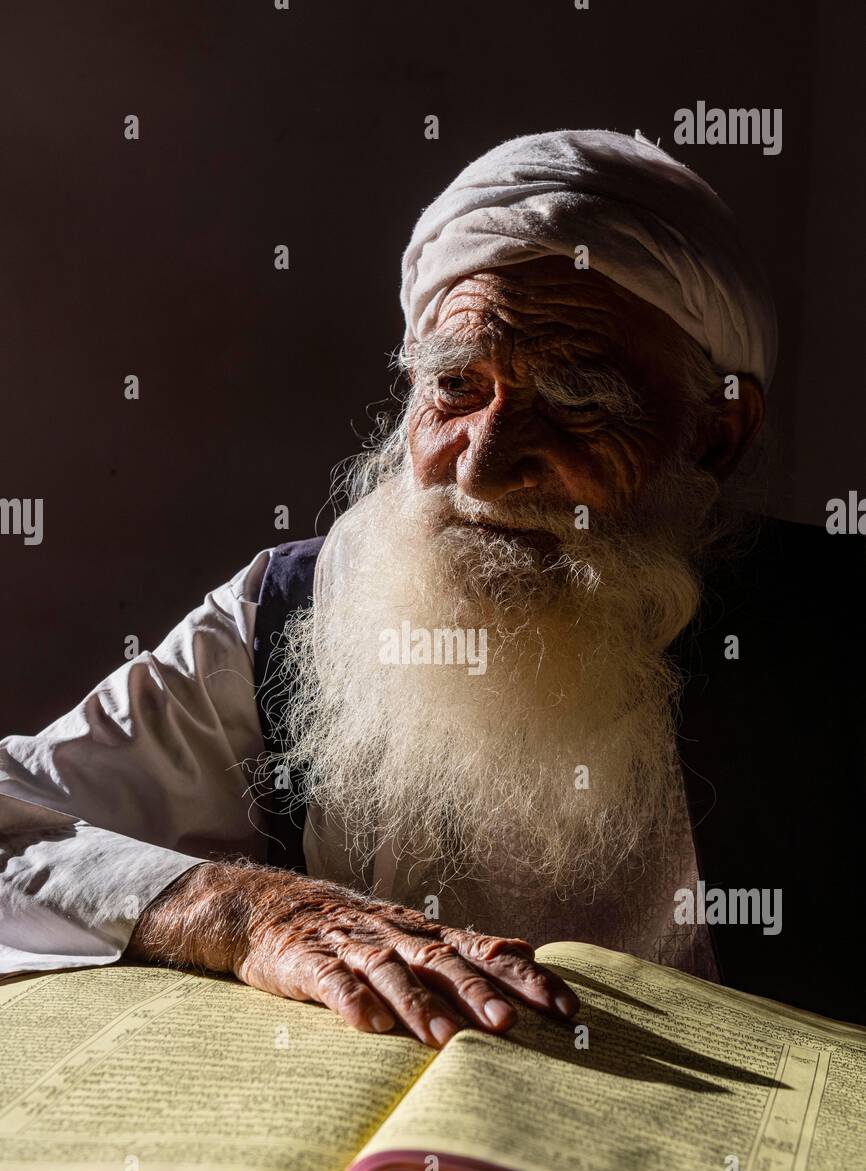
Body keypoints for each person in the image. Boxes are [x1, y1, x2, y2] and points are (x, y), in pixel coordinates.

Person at [2, 130, 863, 1042]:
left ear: (714, 434)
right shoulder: (290, 615)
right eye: (456, 386)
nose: (486, 468)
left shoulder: (835, 634)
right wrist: (243, 912)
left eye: (576, 402)